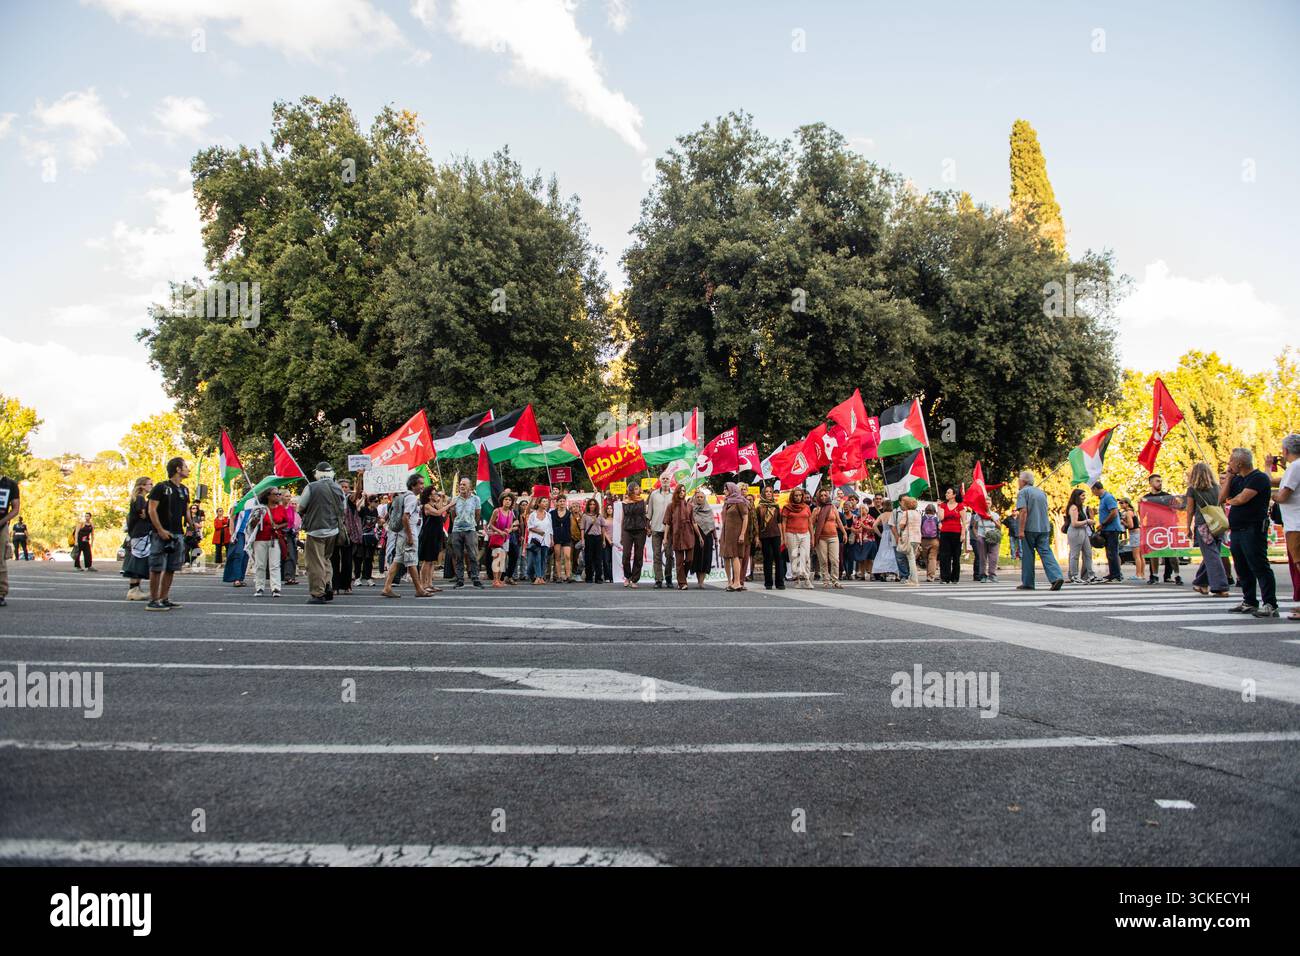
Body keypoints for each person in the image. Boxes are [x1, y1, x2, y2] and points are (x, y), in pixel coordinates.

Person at [1220, 447, 1277, 617]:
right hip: (1237, 528)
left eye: (1231, 461)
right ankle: (1249, 600)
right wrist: (1229, 478)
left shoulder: (1258, 478)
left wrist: (1231, 500)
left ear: (1239, 463)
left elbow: (1241, 499)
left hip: (1253, 527)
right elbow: (1221, 498)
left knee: (1259, 565)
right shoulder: (1237, 479)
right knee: (1242, 567)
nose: (1229, 464)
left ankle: (1270, 603)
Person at [297, 462, 347, 605]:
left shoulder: (311, 487)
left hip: (316, 529)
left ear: (317, 473)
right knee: (326, 559)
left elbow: (301, 507)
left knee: (315, 562)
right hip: (334, 530)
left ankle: (318, 592)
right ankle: (327, 584)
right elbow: (342, 510)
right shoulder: (338, 488)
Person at [145, 457, 191, 610]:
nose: (188, 469)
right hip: (161, 532)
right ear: (178, 469)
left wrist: (192, 527)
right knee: (157, 567)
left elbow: (186, 511)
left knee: (172, 567)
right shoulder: (160, 487)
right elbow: (151, 509)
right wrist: (160, 529)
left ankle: (164, 598)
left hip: (178, 533)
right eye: (185, 466)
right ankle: (153, 599)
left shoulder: (184, 489)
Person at [382, 473, 433, 598]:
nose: (422, 486)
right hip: (408, 534)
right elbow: (405, 517)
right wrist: (410, 536)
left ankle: (387, 587)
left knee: (398, 560)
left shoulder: (405, 496)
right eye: (420, 483)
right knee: (411, 562)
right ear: (413, 485)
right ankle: (419, 589)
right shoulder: (411, 498)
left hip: (401, 534)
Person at [1184, 461, 1230, 598]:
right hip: (1218, 524)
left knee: (1211, 556)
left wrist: (1188, 527)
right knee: (1212, 554)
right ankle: (1201, 583)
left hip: (1203, 525)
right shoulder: (1217, 487)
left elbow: (1190, 510)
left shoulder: (1192, 489)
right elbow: (1222, 505)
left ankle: (1220, 586)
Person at [1016, 471, 1063, 591]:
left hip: (1029, 528)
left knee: (1028, 555)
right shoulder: (1041, 492)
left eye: (1019, 479)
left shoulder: (1023, 492)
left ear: (1023, 481)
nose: (1018, 482)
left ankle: (1028, 583)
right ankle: (1056, 576)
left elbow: (1023, 511)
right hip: (1044, 527)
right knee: (1046, 552)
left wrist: (1021, 530)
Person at [1270, 434, 1300, 620]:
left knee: (1298, 563)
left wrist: (1274, 497)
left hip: (1295, 524)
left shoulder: (1295, 467)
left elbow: (1284, 495)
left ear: (1285, 451)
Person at [1142, 474, 1182, 584]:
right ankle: (1154, 576)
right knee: (1154, 553)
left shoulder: (1168, 497)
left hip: (1167, 529)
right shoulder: (1146, 498)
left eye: (1161, 481)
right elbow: (1142, 515)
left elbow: (1177, 510)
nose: (1160, 483)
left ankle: (1177, 576)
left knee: (1172, 554)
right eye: (1157, 481)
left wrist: (1177, 504)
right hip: (1153, 529)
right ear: (1150, 483)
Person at [246, 488, 286, 597]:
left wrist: (278, 526)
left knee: (275, 565)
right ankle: (259, 587)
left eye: (279, 494)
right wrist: (257, 518)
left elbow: (286, 522)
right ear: (268, 496)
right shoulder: (260, 509)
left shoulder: (281, 509)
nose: (278, 496)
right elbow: (252, 525)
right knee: (260, 564)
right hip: (260, 539)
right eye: (276, 494)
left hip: (275, 538)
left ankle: (276, 588)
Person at [447, 477, 484, 590]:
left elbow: (478, 514)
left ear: (470, 487)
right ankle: (460, 580)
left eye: (464, 484)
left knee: (473, 555)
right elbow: (453, 515)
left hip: (470, 530)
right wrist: (457, 525)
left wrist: (472, 525)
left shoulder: (475, 499)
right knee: (458, 556)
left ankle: (475, 578)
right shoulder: (455, 499)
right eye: (460, 484)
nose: (461, 486)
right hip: (457, 530)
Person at [122, 477, 153, 600]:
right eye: (150, 484)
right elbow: (144, 514)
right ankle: (133, 589)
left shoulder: (139, 499)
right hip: (140, 533)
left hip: (139, 533)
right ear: (142, 486)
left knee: (140, 559)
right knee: (138, 559)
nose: (151, 486)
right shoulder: (139, 499)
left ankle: (136, 588)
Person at [662, 485, 695, 591]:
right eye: (680, 491)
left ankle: (682, 577)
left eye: (684, 491)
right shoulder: (671, 506)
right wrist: (665, 538)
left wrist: (699, 536)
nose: (682, 492)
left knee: (690, 559)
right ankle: (682, 583)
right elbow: (667, 523)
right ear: (676, 492)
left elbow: (694, 522)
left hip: (689, 535)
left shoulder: (690, 506)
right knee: (679, 561)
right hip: (676, 536)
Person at [811, 487, 845, 589]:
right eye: (821, 496)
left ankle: (835, 580)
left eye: (825, 495)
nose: (823, 497)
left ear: (828, 496)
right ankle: (826, 580)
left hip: (833, 537)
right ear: (818, 497)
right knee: (823, 560)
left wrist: (844, 533)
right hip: (821, 538)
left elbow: (839, 521)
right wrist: (812, 538)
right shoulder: (816, 509)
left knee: (835, 560)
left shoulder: (833, 507)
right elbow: (811, 525)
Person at [1091, 480, 1124, 583]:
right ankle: (1112, 573)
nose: (1093, 493)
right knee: (1109, 553)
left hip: (1112, 529)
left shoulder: (1108, 497)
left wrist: (1103, 524)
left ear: (1096, 489)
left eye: (1093, 490)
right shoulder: (1103, 498)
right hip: (1107, 529)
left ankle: (1116, 575)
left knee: (1112, 552)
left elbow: (1114, 513)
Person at [720, 482, 751, 591]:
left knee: (735, 556)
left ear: (732, 490)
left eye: (726, 489)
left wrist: (742, 534)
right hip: (726, 534)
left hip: (736, 533)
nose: (724, 491)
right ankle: (730, 582)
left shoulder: (740, 502)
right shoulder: (727, 502)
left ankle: (737, 582)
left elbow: (745, 518)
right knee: (726, 556)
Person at [1063, 487, 1097, 584]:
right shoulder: (1073, 507)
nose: (1084, 497)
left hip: (1083, 530)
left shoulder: (1080, 507)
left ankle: (1091, 575)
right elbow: (1074, 523)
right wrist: (1087, 521)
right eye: (1082, 496)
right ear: (1077, 497)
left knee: (1088, 553)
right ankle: (1074, 576)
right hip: (1075, 531)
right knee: (1075, 554)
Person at [782, 487, 813, 588]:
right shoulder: (787, 508)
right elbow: (783, 523)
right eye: (796, 495)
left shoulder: (806, 507)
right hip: (791, 533)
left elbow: (810, 523)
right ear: (792, 496)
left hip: (805, 534)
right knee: (794, 556)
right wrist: (784, 537)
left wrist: (812, 537)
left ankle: (807, 579)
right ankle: (797, 579)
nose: (798, 497)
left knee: (806, 556)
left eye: (800, 495)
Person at [755, 485, 785, 590]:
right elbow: (757, 524)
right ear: (763, 493)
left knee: (778, 559)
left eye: (770, 491)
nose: (768, 493)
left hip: (776, 534)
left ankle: (780, 583)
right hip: (764, 536)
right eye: (766, 491)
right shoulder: (759, 507)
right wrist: (757, 537)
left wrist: (782, 536)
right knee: (768, 559)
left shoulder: (776, 506)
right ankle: (768, 583)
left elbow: (779, 522)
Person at [647, 479, 675, 590]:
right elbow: (649, 512)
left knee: (669, 555)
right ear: (660, 480)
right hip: (656, 529)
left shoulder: (674, 495)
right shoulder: (653, 494)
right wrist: (648, 526)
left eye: (667, 478)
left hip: (669, 530)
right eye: (663, 478)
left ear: (670, 481)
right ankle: (658, 579)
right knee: (657, 556)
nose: (665, 480)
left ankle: (668, 578)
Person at [620, 483, 649, 588]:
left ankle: (634, 579)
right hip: (627, 530)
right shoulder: (624, 502)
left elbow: (645, 515)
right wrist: (621, 534)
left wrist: (648, 527)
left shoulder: (642, 501)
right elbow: (623, 518)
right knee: (625, 556)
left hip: (640, 530)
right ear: (631, 490)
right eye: (635, 489)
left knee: (638, 555)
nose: (638, 490)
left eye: (638, 488)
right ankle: (627, 576)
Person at [486, 493, 516, 588]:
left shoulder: (511, 513)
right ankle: (495, 580)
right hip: (497, 537)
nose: (508, 501)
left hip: (505, 538)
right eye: (506, 499)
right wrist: (499, 531)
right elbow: (490, 525)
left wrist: (510, 530)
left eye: (509, 500)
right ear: (502, 501)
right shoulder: (497, 511)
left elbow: (510, 526)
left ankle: (499, 579)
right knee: (496, 559)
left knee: (503, 559)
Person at [937, 487, 964, 584]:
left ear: (954, 495)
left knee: (956, 556)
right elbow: (941, 518)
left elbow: (964, 522)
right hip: (945, 532)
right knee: (944, 556)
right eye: (946, 493)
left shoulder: (960, 506)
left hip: (957, 532)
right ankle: (945, 577)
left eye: (948, 493)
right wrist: (939, 507)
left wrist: (963, 534)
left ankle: (955, 577)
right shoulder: (943, 505)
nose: (946, 494)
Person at [689, 490, 716, 589]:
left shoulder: (709, 510)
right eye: (698, 497)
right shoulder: (692, 509)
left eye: (701, 497)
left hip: (707, 536)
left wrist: (715, 538)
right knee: (697, 558)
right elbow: (692, 522)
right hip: (696, 536)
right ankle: (698, 581)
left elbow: (712, 524)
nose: (700, 498)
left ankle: (702, 581)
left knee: (706, 558)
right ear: (695, 498)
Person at [893, 496, 923, 586]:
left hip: (908, 537)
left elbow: (901, 525)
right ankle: (912, 578)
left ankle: (914, 580)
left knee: (911, 559)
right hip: (917, 538)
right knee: (912, 557)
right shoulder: (918, 513)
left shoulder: (906, 513)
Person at [0, 469, 18, 606]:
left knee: (0, 560)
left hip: (1, 526)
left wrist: (1, 522)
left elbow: (16, 509)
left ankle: (1, 593)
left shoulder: (10, 484)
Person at [550, 493, 578, 584]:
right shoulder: (552, 513)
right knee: (557, 557)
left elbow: (573, 525)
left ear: (566, 502)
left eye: (563, 501)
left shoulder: (570, 513)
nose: (562, 502)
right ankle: (558, 576)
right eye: (560, 501)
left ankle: (568, 576)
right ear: (557, 503)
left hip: (567, 537)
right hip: (556, 537)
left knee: (567, 557)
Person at [526, 496, 553, 585]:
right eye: (544, 501)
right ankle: (537, 577)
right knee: (537, 558)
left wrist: (552, 539)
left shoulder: (548, 515)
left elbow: (550, 528)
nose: (546, 503)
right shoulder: (533, 514)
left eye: (547, 502)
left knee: (543, 559)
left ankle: (541, 577)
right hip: (535, 539)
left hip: (546, 540)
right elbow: (529, 527)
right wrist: (539, 531)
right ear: (538, 503)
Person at [1117, 497, 1145, 581]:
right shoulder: (1133, 511)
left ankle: (1138, 574)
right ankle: (1142, 573)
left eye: (1122, 503)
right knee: (1140, 555)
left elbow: (1131, 525)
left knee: (1136, 555)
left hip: (1134, 534)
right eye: (1120, 503)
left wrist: (1123, 522)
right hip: (1139, 533)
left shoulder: (1128, 513)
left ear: (1127, 503)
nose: (1120, 505)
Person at [580, 498, 606, 583]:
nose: (592, 506)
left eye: (593, 504)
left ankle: (598, 577)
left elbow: (603, 528)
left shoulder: (599, 515)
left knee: (598, 558)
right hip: (588, 538)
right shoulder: (585, 515)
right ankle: (589, 577)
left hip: (598, 537)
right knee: (588, 558)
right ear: (588, 505)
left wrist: (603, 540)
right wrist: (583, 539)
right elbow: (582, 529)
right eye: (590, 504)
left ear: (596, 506)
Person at [918, 504, 940, 582]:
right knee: (933, 558)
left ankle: (928, 574)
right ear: (934, 511)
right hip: (935, 540)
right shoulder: (936, 519)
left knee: (925, 558)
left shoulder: (922, 518)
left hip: (924, 540)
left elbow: (919, 529)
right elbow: (939, 529)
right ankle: (931, 576)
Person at [601, 500, 615, 582]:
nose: (609, 510)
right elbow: (603, 531)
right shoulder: (604, 519)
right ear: (606, 510)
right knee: (606, 560)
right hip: (606, 541)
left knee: (613, 561)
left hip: (615, 542)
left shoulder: (616, 519)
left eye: (611, 508)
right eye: (608, 508)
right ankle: (607, 577)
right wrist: (607, 540)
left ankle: (613, 577)